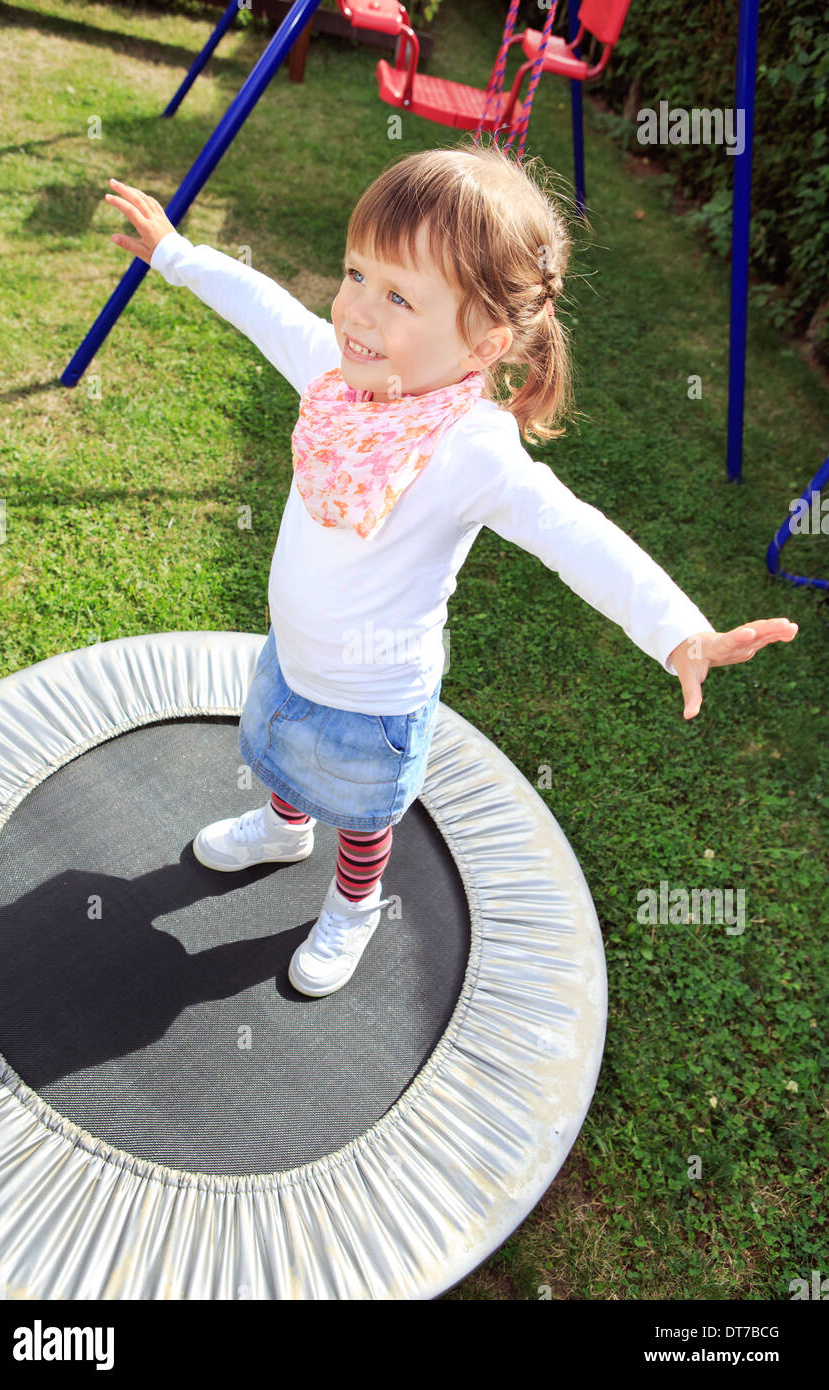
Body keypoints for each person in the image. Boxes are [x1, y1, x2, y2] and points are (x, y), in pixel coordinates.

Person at [104, 139, 797, 999]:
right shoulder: (336, 375)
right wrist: (177, 254)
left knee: (362, 814)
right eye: (356, 273)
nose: (356, 309)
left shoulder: (471, 449)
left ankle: (355, 907)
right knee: (279, 751)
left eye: (398, 296)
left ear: (483, 341)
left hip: (375, 699)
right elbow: (266, 308)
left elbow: (574, 534)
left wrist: (678, 630)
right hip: (293, 653)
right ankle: (285, 829)